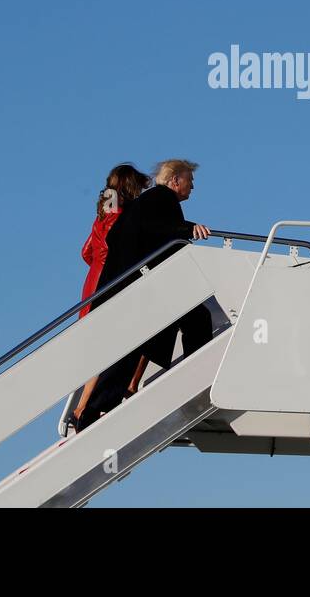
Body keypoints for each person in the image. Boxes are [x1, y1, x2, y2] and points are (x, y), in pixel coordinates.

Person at [80, 159, 214, 426]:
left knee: (127, 345)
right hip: (129, 281)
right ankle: (91, 409)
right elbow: (157, 229)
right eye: (190, 180)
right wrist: (187, 229)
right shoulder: (160, 199)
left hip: (103, 281)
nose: (193, 186)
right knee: (192, 322)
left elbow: (88, 250)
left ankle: (90, 409)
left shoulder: (114, 210)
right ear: (176, 181)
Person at [68, 164, 149, 432]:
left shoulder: (104, 210)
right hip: (110, 280)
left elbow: (86, 252)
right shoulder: (121, 213)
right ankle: (85, 406)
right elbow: (117, 245)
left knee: (97, 347)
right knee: (110, 345)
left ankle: (82, 405)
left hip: (92, 282)